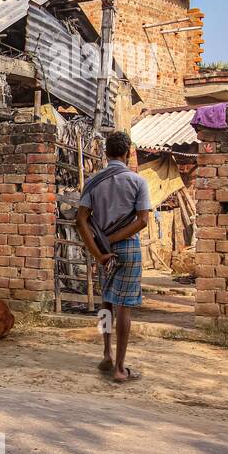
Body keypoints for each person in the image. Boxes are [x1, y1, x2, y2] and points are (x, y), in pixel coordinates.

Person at [75, 130, 152, 383]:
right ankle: (120, 368)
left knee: (106, 304)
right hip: (128, 249)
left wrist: (99, 251)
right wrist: (116, 239)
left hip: (103, 252)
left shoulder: (94, 182)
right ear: (128, 153)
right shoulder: (138, 182)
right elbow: (142, 221)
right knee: (124, 308)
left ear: (106, 153)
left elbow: (81, 221)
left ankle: (107, 354)